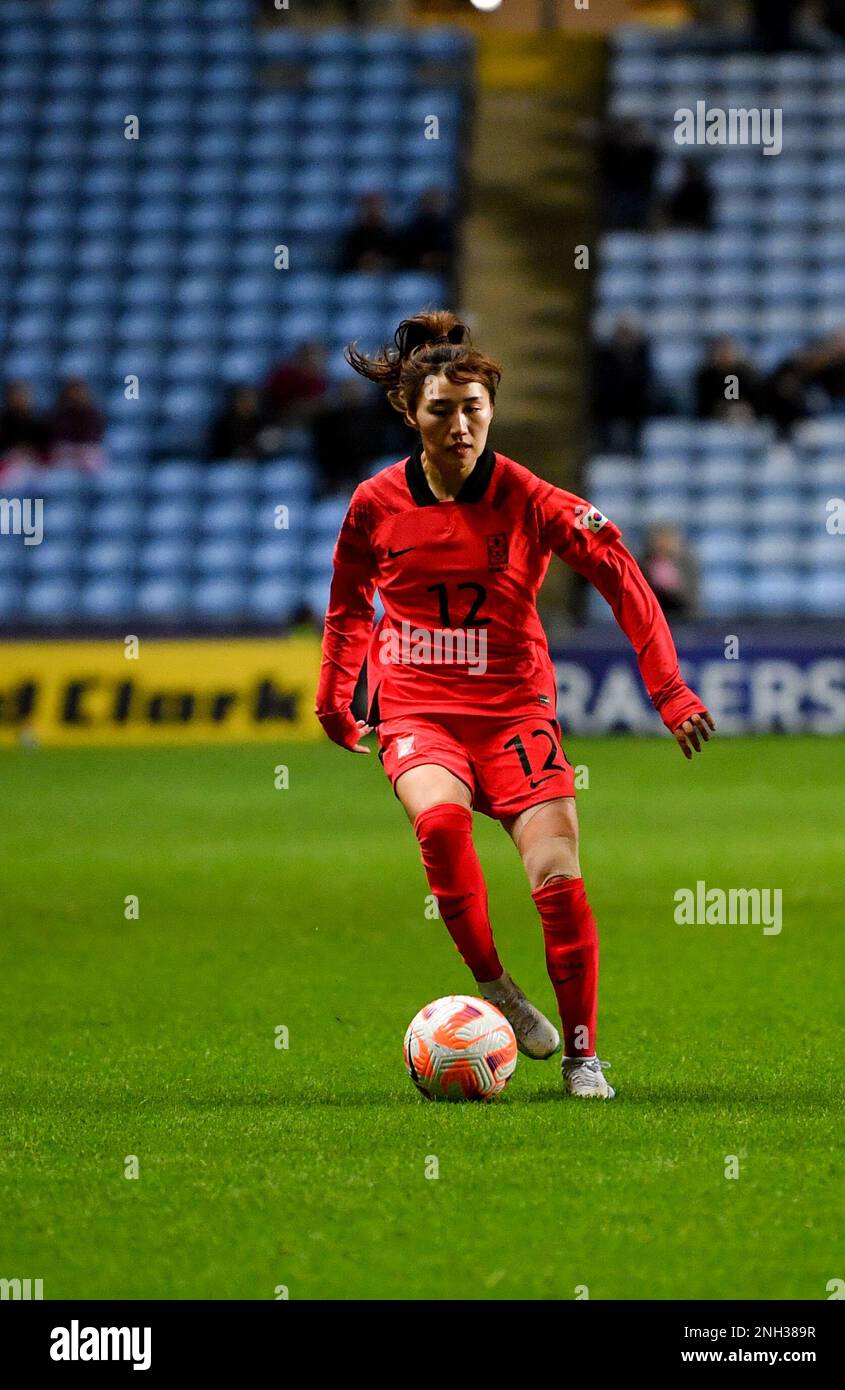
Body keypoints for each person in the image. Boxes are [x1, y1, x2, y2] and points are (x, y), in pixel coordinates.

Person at [315, 311, 715, 1100]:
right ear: (409, 413)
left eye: (474, 409)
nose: (460, 425)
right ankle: (494, 984)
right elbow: (348, 603)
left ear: (491, 408)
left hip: (514, 713)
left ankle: (580, 1055)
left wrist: (670, 690)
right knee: (439, 822)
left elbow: (622, 577)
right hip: (418, 708)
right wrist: (336, 695)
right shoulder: (374, 504)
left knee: (559, 881)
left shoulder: (531, 498)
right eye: (442, 410)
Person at [592, 317, 654, 452]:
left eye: (627, 333)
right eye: (622, 333)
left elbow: (643, 385)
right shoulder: (604, 357)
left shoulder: (642, 357)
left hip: (635, 411)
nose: (625, 338)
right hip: (607, 410)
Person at [642, 525, 700, 620]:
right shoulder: (643, 564)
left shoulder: (687, 564)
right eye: (660, 540)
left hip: (683, 618)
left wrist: (672, 588)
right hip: (652, 619)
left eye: (667, 540)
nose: (663, 545)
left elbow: (691, 599)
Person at [47, 379, 106, 472]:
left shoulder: (93, 414)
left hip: (86, 450)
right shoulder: (59, 414)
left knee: (90, 458)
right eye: (73, 393)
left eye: (78, 393)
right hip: (66, 451)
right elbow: (58, 438)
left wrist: (80, 450)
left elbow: (93, 438)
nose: (75, 396)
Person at [695, 338, 760, 421]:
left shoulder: (744, 375)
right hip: (713, 421)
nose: (723, 357)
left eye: (726, 353)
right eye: (719, 353)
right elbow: (704, 404)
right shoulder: (705, 377)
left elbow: (749, 400)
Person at [400, 186, 456, 276]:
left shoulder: (449, 226)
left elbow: (453, 252)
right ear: (423, 203)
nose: (433, 204)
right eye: (429, 201)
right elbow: (407, 254)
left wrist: (439, 259)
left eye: (436, 201)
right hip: (417, 272)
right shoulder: (414, 227)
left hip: (444, 274)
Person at [340, 191, 399, 273]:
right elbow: (346, 262)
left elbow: (397, 260)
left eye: (377, 207)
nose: (373, 210)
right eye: (368, 207)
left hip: (386, 277)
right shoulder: (354, 236)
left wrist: (380, 262)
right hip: (359, 277)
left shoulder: (392, 235)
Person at [206, 385, 268, 461]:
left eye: (250, 400)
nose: (247, 403)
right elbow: (216, 452)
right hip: (229, 465)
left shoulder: (264, 422)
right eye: (243, 399)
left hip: (259, 466)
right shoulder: (223, 425)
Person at [0, 382, 47, 478]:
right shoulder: (3, 422)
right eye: (15, 396)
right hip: (9, 466)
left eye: (22, 396)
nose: (19, 399)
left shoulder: (37, 421)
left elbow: (44, 448)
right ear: (8, 398)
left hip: (33, 465)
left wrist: (29, 450)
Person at [664, 158, 714, 231]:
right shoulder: (677, 191)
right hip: (680, 227)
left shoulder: (703, 191)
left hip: (697, 229)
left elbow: (706, 215)